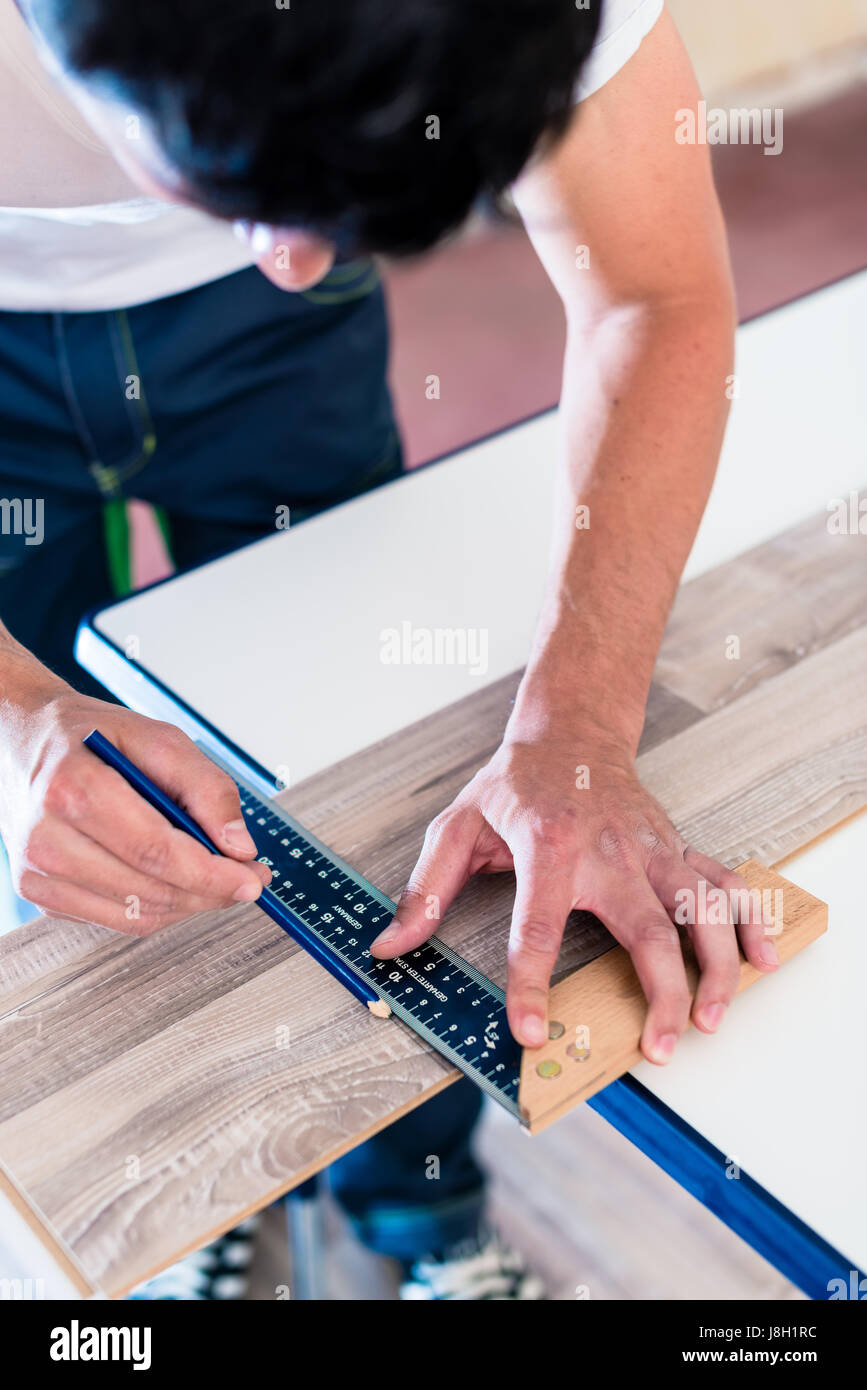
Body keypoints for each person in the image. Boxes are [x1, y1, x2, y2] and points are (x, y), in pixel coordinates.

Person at [0, 0, 776, 1300]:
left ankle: (424, 1214)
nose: (297, 264)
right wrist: (15, 721)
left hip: (274, 377)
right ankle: (193, 1206)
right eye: (247, 185)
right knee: (81, 844)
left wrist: (577, 724)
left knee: (377, 804)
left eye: (346, 221)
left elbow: (655, 294)